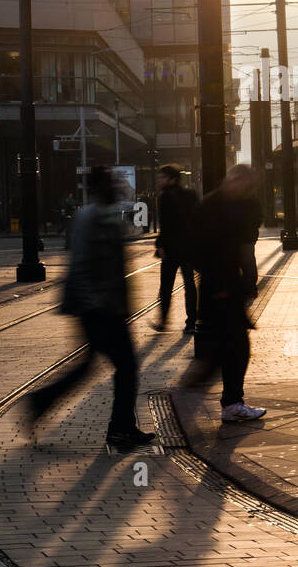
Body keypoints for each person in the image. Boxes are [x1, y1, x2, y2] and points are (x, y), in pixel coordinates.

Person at [25, 166, 155, 454]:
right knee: (126, 367)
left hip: (104, 307)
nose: (119, 186)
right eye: (113, 182)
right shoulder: (91, 217)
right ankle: (120, 429)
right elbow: (82, 263)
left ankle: (42, 402)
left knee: (91, 366)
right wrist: (93, 302)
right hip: (99, 308)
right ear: (101, 187)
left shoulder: (103, 215)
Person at [191, 164, 266, 423]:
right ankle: (230, 401)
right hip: (220, 290)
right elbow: (205, 250)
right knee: (236, 346)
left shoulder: (225, 204)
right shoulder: (215, 207)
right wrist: (223, 285)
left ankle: (222, 394)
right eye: (245, 185)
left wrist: (245, 281)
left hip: (223, 287)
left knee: (231, 345)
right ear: (234, 180)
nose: (246, 191)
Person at [153, 164, 198, 333]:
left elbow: (165, 225)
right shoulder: (191, 195)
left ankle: (163, 321)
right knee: (190, 285)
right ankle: (191, 321)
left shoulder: (164, 197)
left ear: (171, 179)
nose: (159, 180)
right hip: (188, 248)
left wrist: (160, 245)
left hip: (171, 249)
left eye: (162, 177)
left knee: (166, 286)